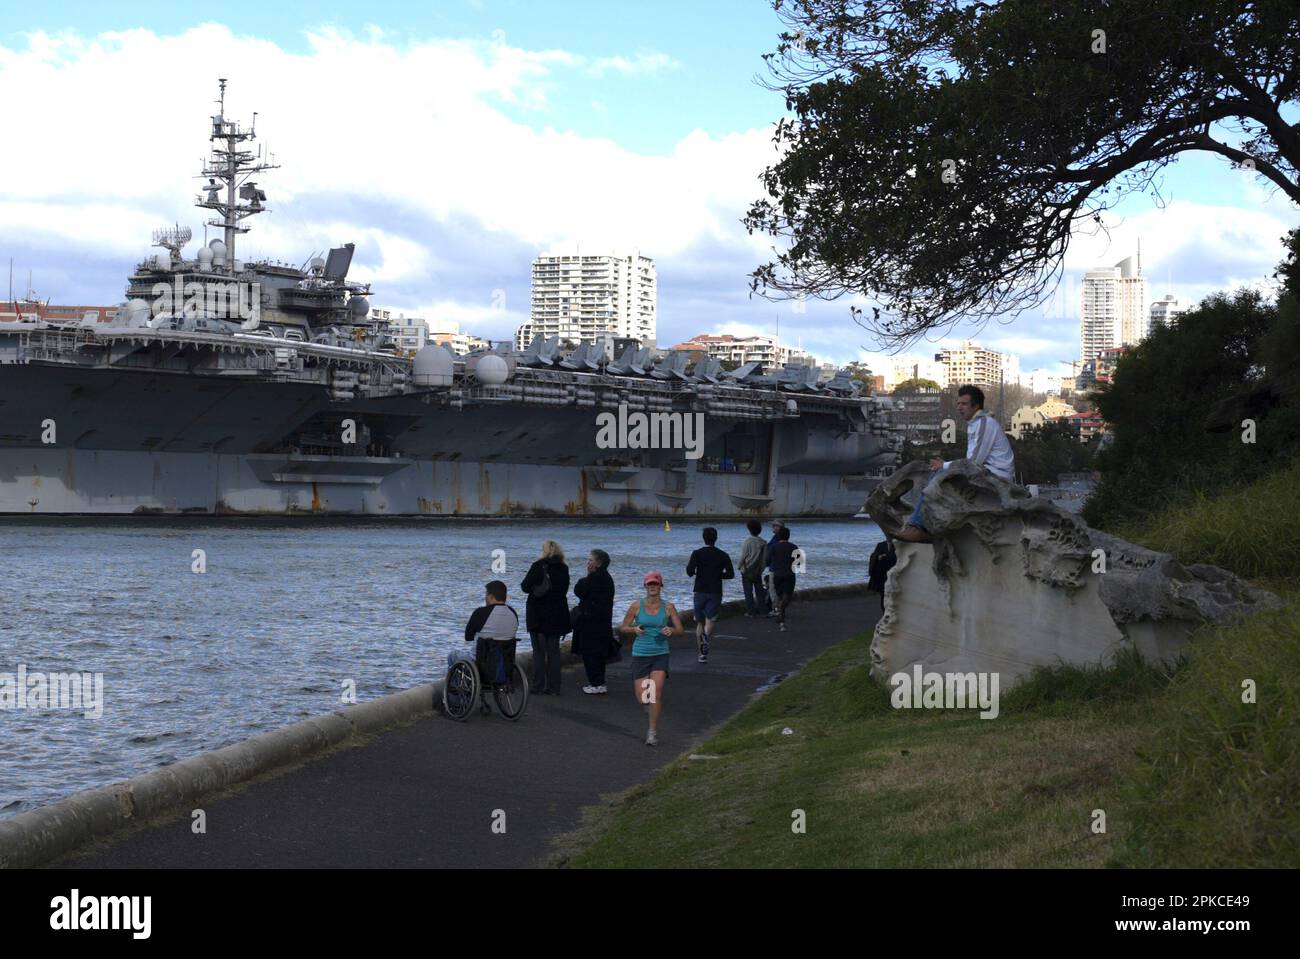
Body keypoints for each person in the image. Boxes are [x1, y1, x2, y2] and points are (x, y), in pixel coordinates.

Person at [895, 385, 1016, 543]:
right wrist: (945, 465)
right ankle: (923, 525)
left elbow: (973, 462)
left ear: (976, 406)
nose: (959, 407)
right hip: (985, 471)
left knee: (939, 477)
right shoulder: (975, 424)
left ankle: (920, 527)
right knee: (937, 474)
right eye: (958, 403)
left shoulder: (985, 423)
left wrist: (945, 466)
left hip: (997, 476)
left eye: (964, 404)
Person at [618, 571, 684, 746]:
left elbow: (680, 630)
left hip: (660, 653)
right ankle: (650, 711)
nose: (653, 587)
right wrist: (634, 630)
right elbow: (623, 627)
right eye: (649, 584)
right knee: (642, 698)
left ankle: (652, 732)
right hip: (640, 654)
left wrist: (671, 630)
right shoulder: (636, 606)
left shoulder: (668, 607)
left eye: (655, 584)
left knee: (655, 692)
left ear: (661, 586)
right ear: (645, 586)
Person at [446, 581, 519, 712]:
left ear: (491, 596)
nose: (485, 597)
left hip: (481, 664)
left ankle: (457, 700)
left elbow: (468, 637)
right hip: (505, 665)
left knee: (453, 656)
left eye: (486, 594)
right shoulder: (513, 613)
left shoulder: (481, 613)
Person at [520, 540, 571, 695]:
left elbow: (524, 586)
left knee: (539, 652)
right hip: (557, 615)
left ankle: (538, 685)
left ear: (545, 551)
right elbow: (564, 589)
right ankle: (554, 687)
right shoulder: (564, 568)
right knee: (554, 652)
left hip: (538, 615)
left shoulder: (539, 566)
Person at [686, 526, 734, 663]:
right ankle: (706, 639)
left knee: (700, 622)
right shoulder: (723, 555)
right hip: (715, 590)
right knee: (711, 619)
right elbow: (730, 574)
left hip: (700, 589)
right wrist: (719, 575)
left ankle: (701, 654)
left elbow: (689, 571)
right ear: (716, 538)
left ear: (703, 538)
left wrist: (696, 572)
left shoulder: (697, 553)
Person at [572, 548, 615, 694]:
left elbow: (580, 590)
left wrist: (588, 575)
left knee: (590, 653)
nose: (588, 562)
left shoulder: (596, 578)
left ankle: (596, 683)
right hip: (601, 621)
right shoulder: (606, 578)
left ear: (599, 563)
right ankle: (599, 682)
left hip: (592, 622)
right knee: (598, 654)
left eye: (591, 560)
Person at [768, 527, 799, 631]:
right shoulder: (794, 547)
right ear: (788, 536)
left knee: (780, 596)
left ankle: (781, 618)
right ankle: (781, 619)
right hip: (790, 575)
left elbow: (767, 560)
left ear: (778, 536)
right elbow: (799, 563)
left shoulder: (774, 547)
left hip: (777, 575)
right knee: (787, 597)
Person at [738, 519, 768, 617]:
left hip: (746, 570)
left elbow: (743, 557)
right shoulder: (764, 543)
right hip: (757, 571)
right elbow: (764, 559)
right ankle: (763, 610)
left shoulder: (747, 542)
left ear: (749, 529)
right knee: (759, 592)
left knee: (748, 592)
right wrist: (761, 569)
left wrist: (739, 567)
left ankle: (751, 611)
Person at [867, 537, 897, 610]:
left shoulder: (898, 545)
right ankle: (884, 612)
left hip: (894, 575)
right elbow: (874, 556)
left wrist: (887, 556)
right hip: (882, 575)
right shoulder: (881, 545)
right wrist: (878, 557)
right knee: (883, 596)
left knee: (892, 596)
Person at [763, 519, 785, 615]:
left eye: (775, 525)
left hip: (774, 567)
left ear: (779, 527)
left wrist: (765, 563)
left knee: (773, 589)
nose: (773, 527)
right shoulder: (782, 539)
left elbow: (770, 552)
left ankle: (776, 609)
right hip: (782, 568)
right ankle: (779, 608)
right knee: (779, 589)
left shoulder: (775, 539)